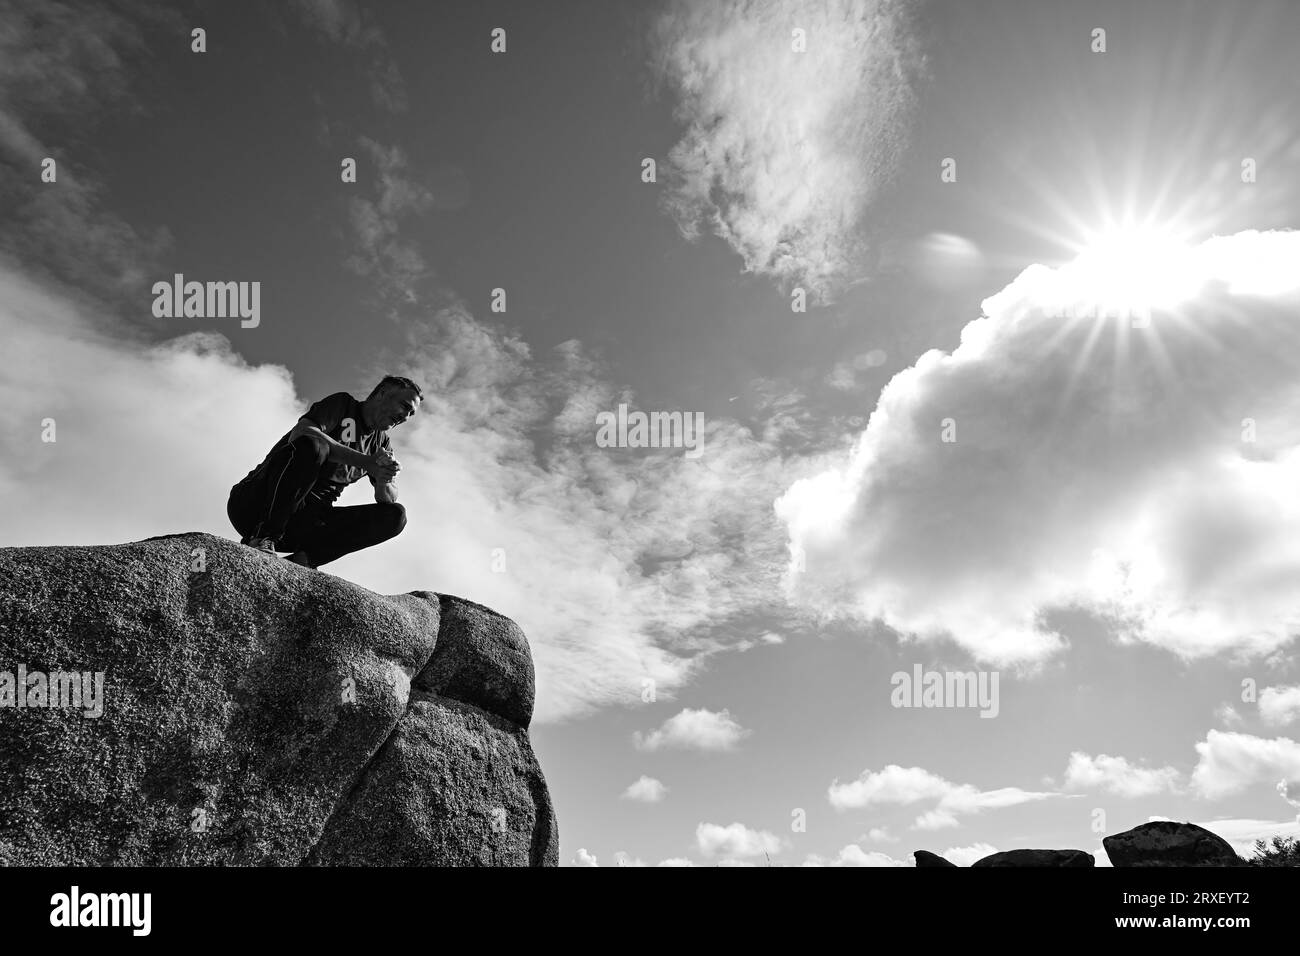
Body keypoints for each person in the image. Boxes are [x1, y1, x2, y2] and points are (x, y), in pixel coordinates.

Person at [226, 375, 422, 569]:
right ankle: (263, 537)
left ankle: (303, 560)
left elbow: (388, 497)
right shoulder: (343, 405)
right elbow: (303, 432)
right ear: (382, 393)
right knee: (313, 445)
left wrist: (383, 478)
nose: (405, 417)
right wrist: (366, 462)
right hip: (254, 505)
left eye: (411, 414)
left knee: (395, 515)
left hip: (301, 525)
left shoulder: (381, 443)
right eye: (404, 406)